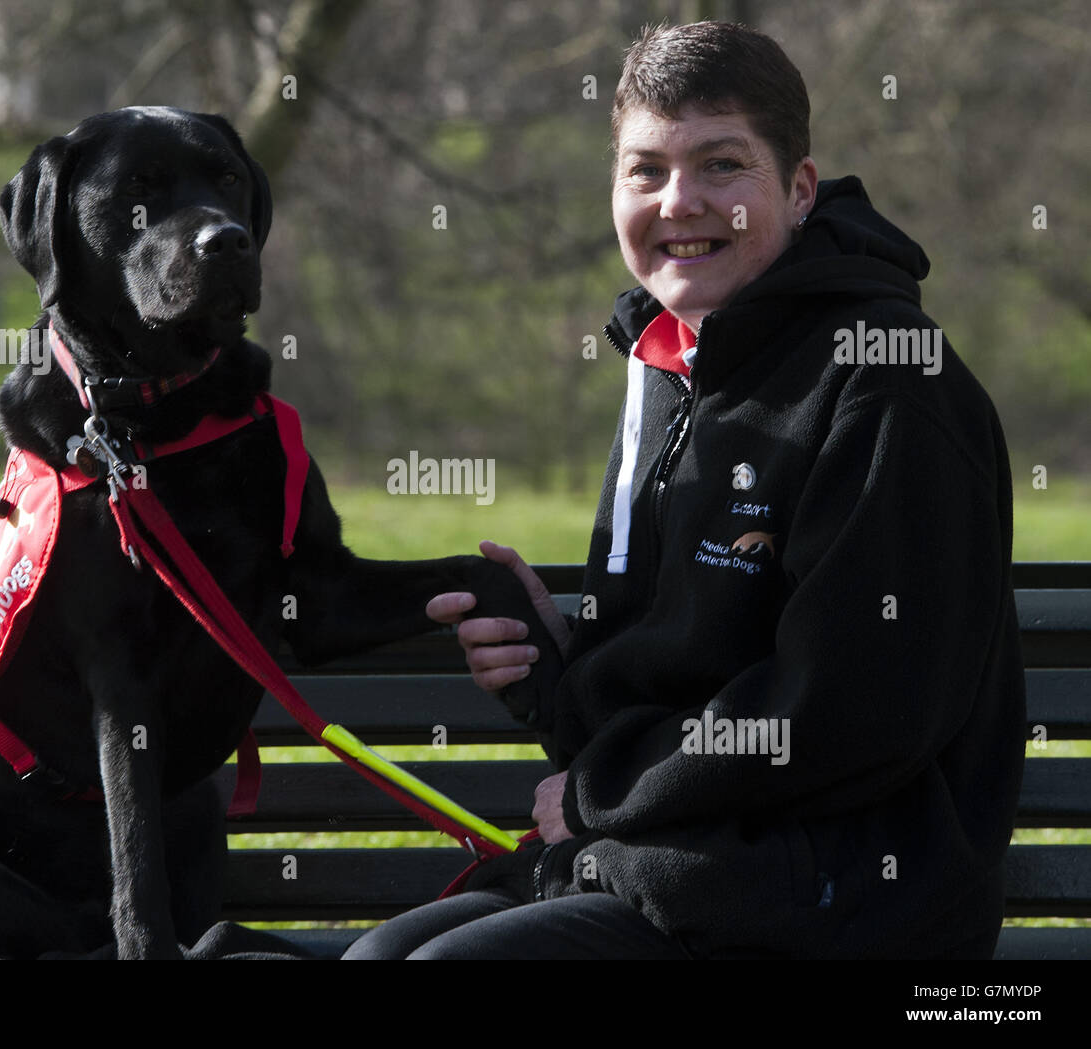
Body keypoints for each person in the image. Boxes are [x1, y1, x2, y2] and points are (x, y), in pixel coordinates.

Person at [342, 20, 1026, 960]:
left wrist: (598, 790)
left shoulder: (890, 384)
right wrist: (562, 674)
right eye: (646, 170)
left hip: (839, 901)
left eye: (721, 164)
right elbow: (678, 672)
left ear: (798, 188)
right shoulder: (666, 366)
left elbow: (848, 715)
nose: (680, 202)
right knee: (379, 957)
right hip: (676, 861)